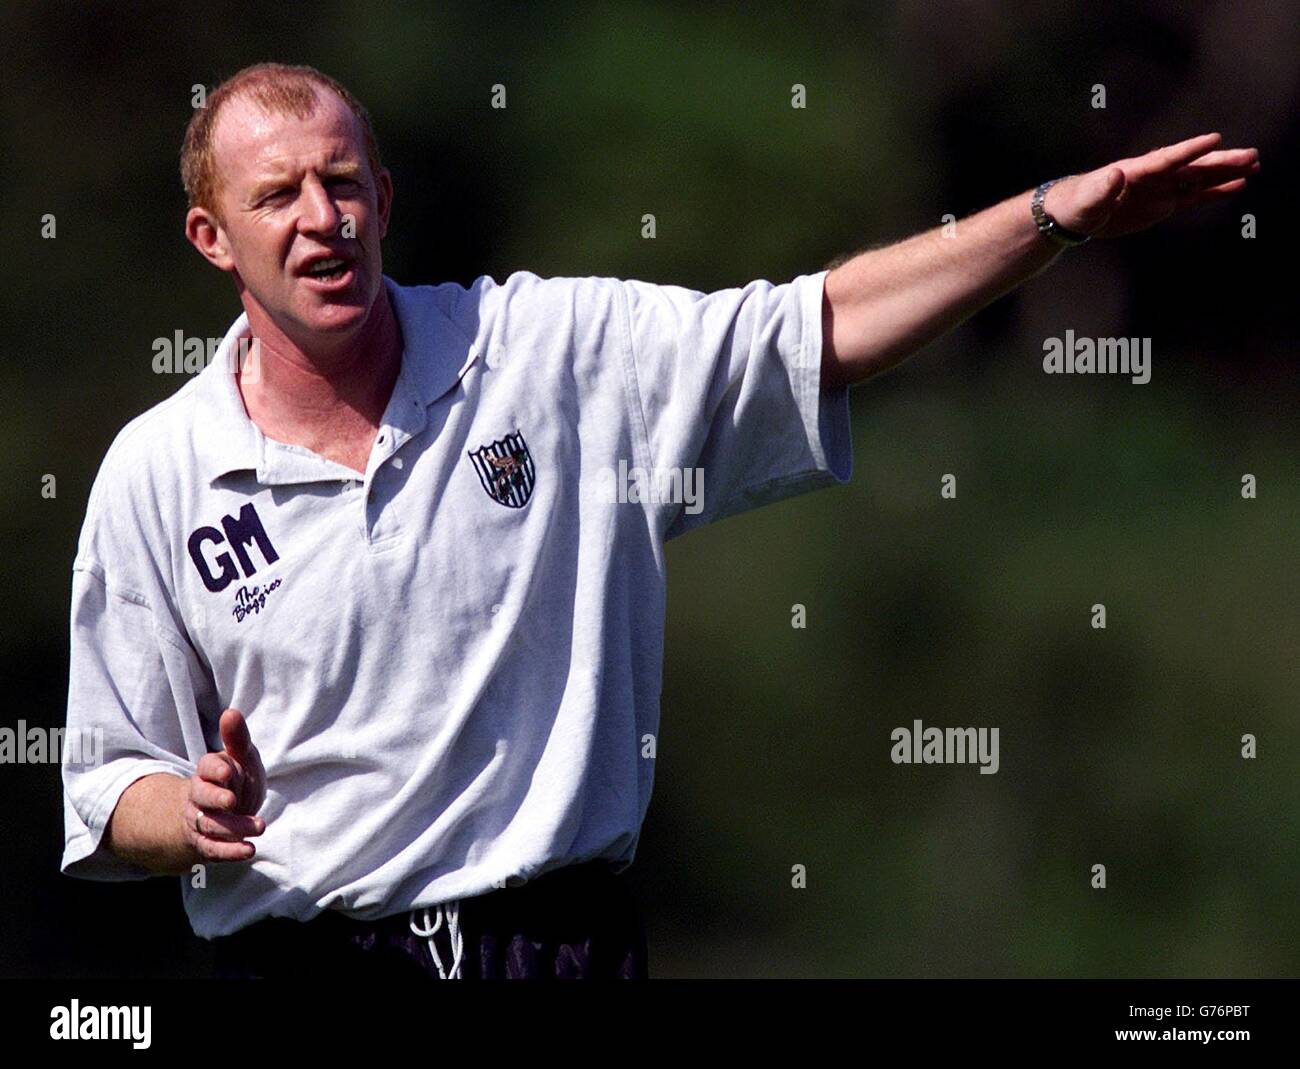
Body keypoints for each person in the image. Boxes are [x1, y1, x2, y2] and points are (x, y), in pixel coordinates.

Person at [58, 61, 1259, 979]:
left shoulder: (547, 353)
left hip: (555, 948)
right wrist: (196, 815)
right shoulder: (157, 474)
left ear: (384, 194)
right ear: (213, 239)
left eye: (341, 181)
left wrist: (1050, 218)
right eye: (278, 195)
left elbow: (816, 326)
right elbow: (112, 785)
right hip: (299, 957)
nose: (322, 216)